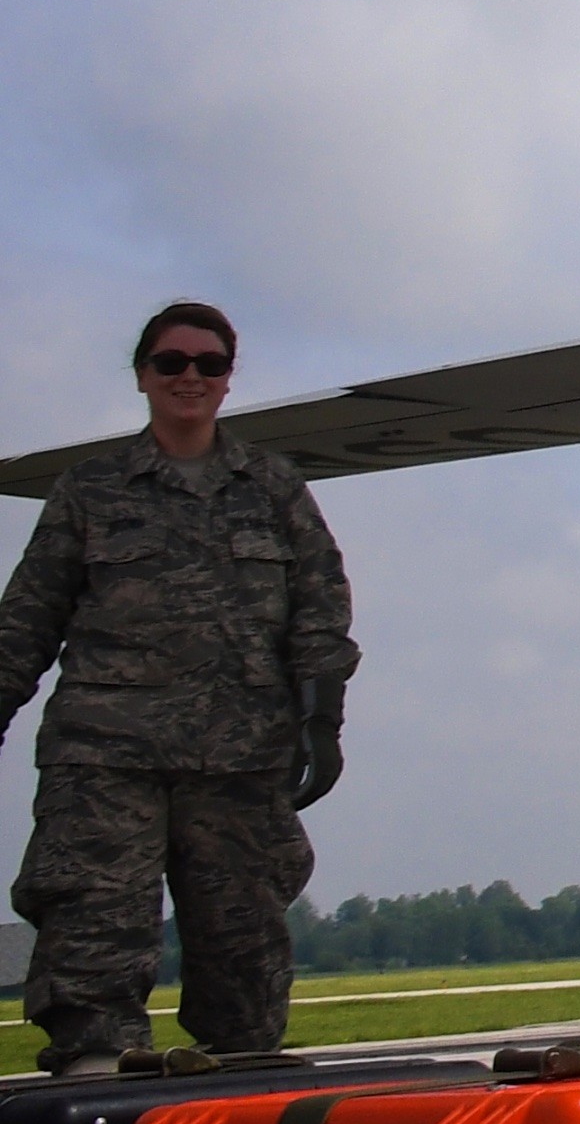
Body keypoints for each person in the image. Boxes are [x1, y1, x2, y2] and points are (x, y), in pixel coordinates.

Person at [0, 302, 357, 1075]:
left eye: (209, 364)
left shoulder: (273, 489)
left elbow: (320, 609)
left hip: (238, 764)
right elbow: (29, 616)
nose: (189, 377)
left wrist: (320, 716)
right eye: (171, 363)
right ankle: (96, 1103)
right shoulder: (89, 492)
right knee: (92, 939)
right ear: (142, 376)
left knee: (245, 964)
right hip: (105, 763)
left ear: (228, 382)